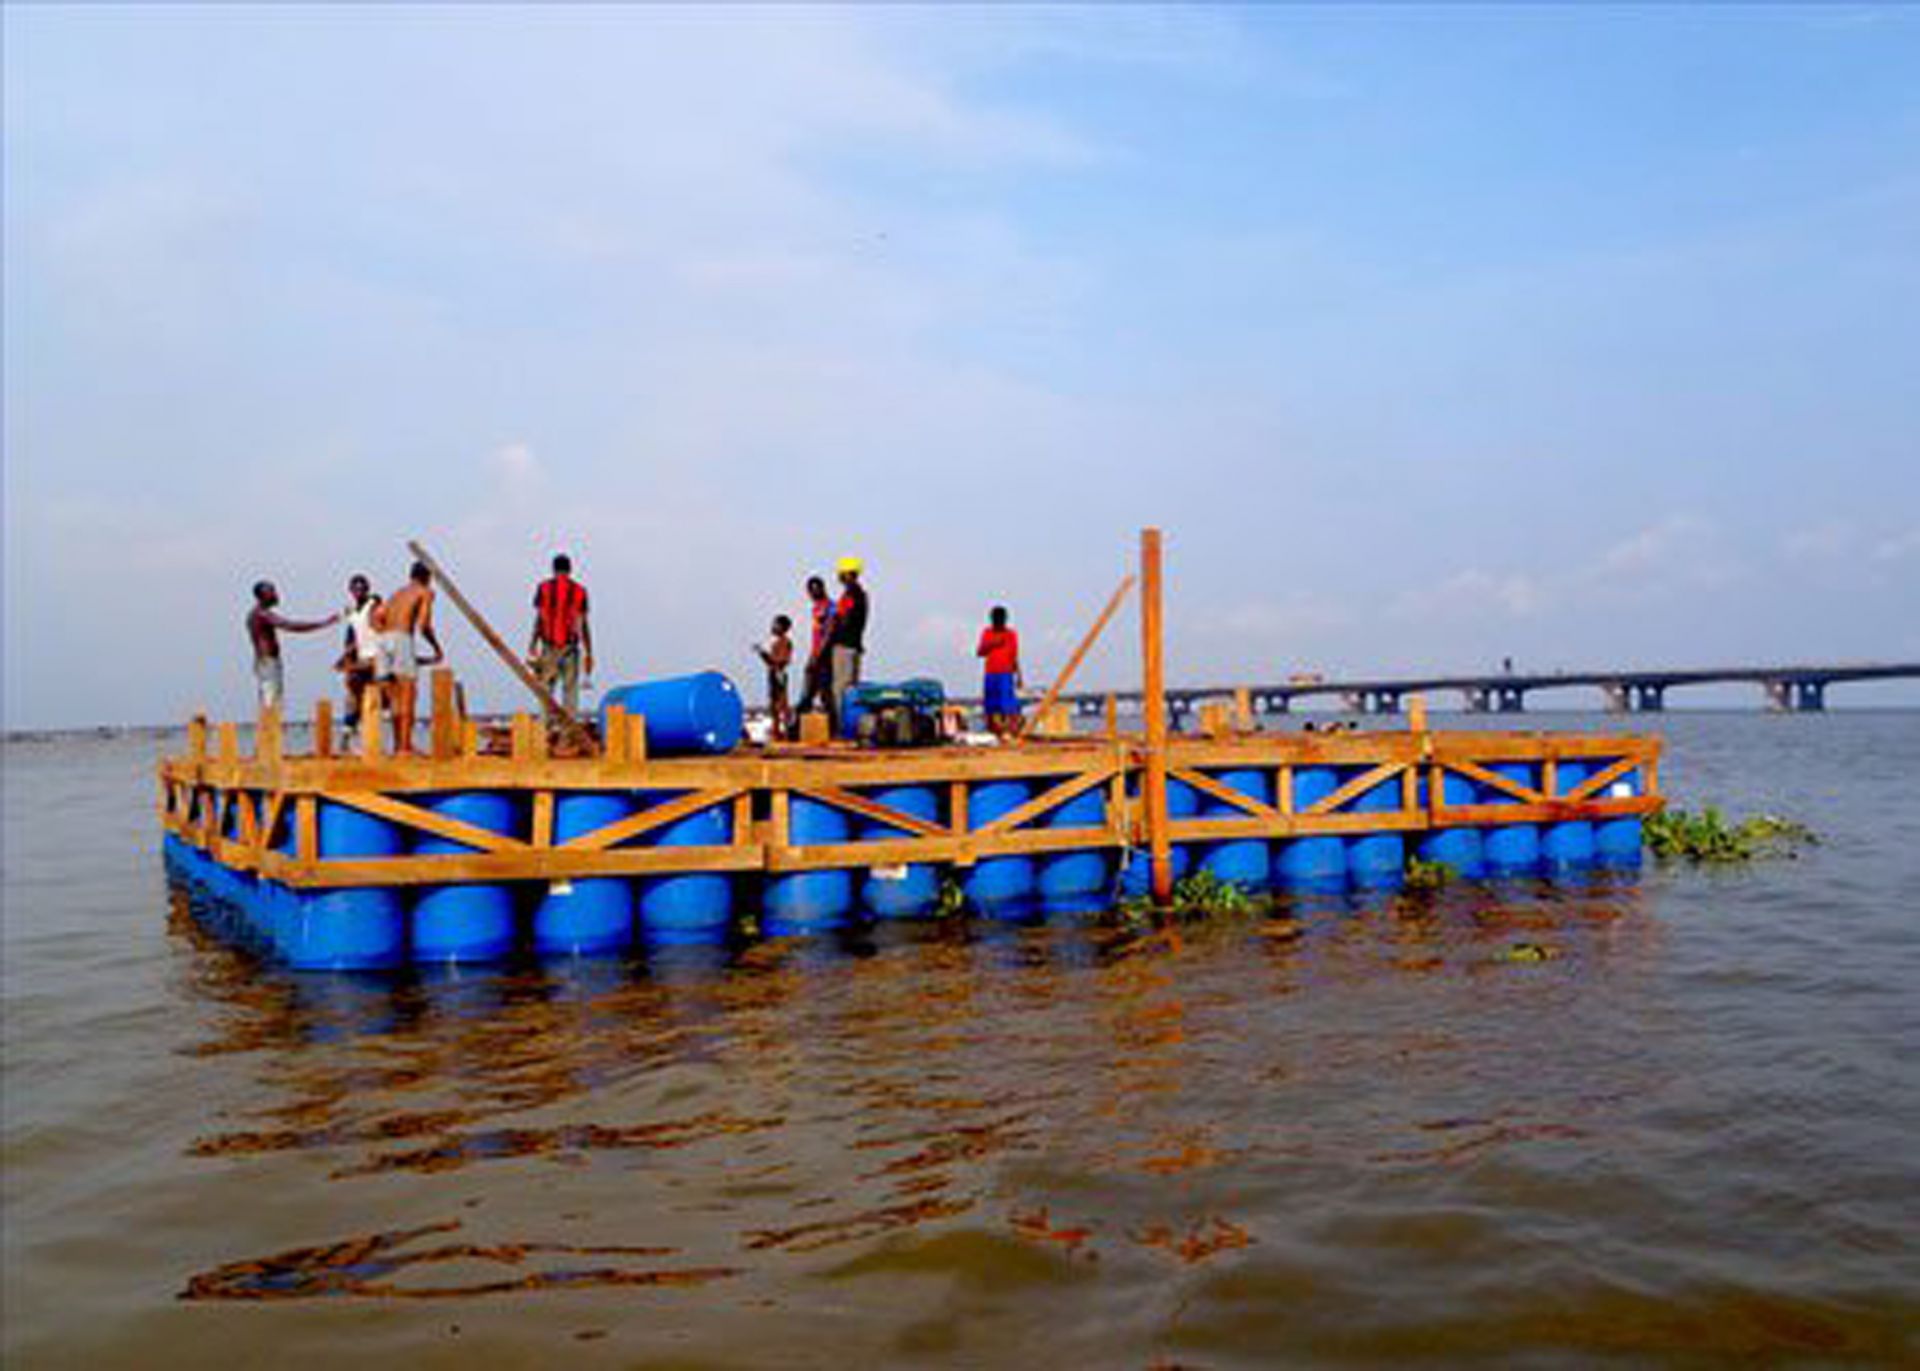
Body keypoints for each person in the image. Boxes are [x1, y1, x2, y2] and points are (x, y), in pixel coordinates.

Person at [375, 561, 443, 754]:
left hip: (384, 641)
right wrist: (437, 648)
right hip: (401, 638)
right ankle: (405, 747)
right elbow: (424, 625)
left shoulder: (397, 593)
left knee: (394, 698)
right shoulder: (425, 592)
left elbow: (377, 616)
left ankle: (399, 746)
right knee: (408, 694)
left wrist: (384, 635)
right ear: (428, 578)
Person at [245, 581, 338, 712]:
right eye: (271, 591)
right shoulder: (262, 614)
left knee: (270, 701)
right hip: (268, 663)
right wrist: (323, 623)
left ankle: (270, 729)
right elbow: (291, 625)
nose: (276, 595)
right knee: (271, 703)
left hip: (265, 662)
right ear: (262, 595)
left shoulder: (256, 614)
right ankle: (270, 731)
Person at [527, 553, 594, 716]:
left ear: (553, 569)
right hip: (570, 648)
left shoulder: (543, 588)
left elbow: (539, 620)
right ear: (570, 569)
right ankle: (569, 732)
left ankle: (545, 730)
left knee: (546, 690)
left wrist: (532, 645)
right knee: (570, 692)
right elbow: (583, 624)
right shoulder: (580, 591)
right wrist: (589, 652)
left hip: (549, 647)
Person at [335, 574, 382, 744]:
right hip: (360, 657)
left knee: (377, 696)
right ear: (351, 591)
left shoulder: (374, 605)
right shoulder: (352, 611)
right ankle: (348, 731)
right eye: (355, 589)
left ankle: (369, 738)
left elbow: (379, 628)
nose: (358, 592)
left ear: (367, 589)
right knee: (353, 694)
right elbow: (353, 636)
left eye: (362, 588)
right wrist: (345, 657)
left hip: (375, 656)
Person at [827, 556, 869, 735]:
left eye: (841, 574)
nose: (839, 577)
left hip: (844, 645)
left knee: (840, 689)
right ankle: (853, 726)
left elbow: (842, 620)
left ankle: (841, 727)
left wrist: (833, 622)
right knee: (853, 688)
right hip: (856, 644)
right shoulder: (863, 595)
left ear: (847, 575)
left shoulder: (849, 595)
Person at [793, 575, 837, 726]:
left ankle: (833, 726)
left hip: (824, 655)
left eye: (814, 590)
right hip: (816, 653)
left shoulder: (830, 606)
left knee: (824, 693)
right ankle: (800, 725)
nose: (812, 594)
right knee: (810, 692)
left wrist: (818, 655)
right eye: (810, 591)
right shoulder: (816, 608)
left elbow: (829, 632)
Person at [976, 605, 1024, 739]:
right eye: (996, 619)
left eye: (1000, 619)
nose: (998, 622)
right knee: (990, 706)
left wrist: (1019, 677)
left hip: (1006, 674)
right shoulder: (987, 633)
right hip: (991, 673)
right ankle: (993, 732)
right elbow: (980, 652)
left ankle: (1011, 732)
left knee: (1008, 706)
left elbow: (1014, 656)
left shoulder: (1011, 634)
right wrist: (993, 643)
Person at [754, 614, 795, 741]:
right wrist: (762, 653)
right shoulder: (777, 642)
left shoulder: (785, 642)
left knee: (782, 704)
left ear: (782, 627)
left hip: (779, 674)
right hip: (773, 674)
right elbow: (771, 662)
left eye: (775, 624)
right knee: (773, 704)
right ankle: (776, 731)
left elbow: (781, 661)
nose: (772, 627)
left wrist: (765, 654)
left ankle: (788, 731)